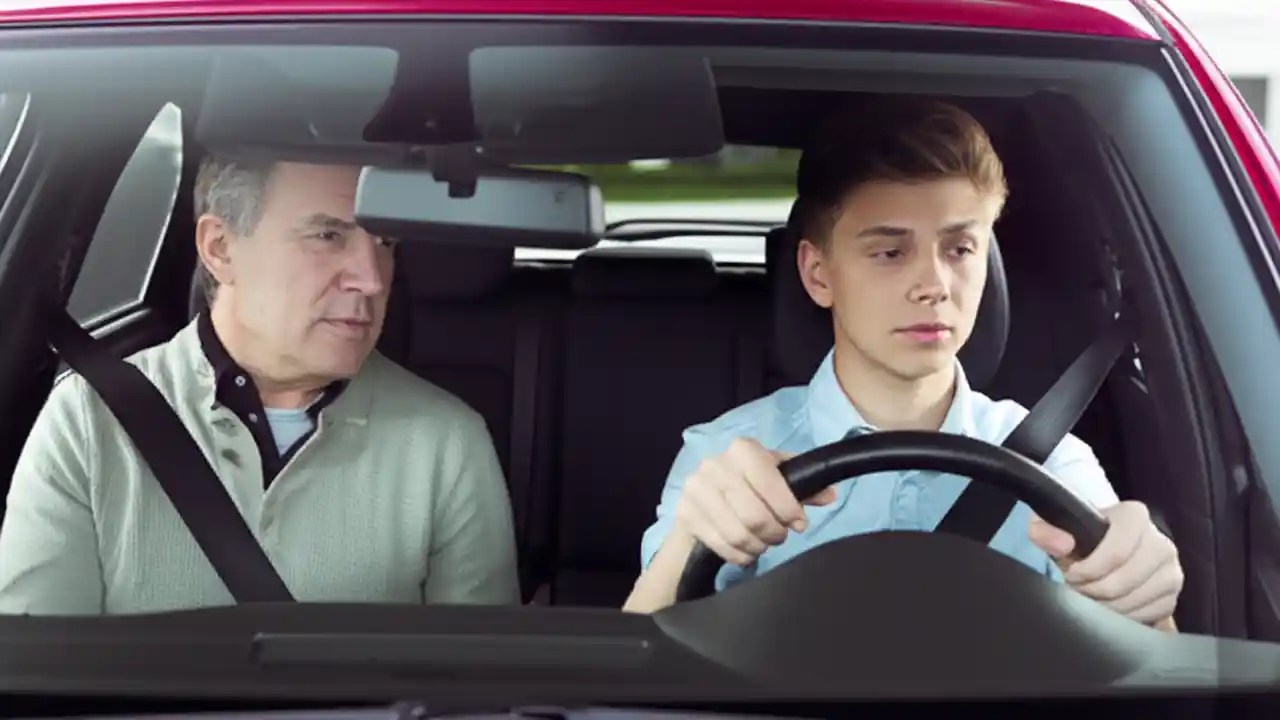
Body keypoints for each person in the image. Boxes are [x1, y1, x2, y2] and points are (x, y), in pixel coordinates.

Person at [622, 99, 1184, 631]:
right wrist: (689, 541)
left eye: (960, 249)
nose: (934, 286)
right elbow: (636, 673)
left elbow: (1150, 667)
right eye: (890, 252)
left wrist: (1145, 603)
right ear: (819, 275)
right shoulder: (729, 459)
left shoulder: (1053, 463)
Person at [0, 154, 520, 614]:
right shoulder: (88, 424)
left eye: (385, 242)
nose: (374, 277)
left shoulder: (447, 440)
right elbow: (36, 683)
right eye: (327, 235)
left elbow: (481, 688)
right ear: (221, 247)